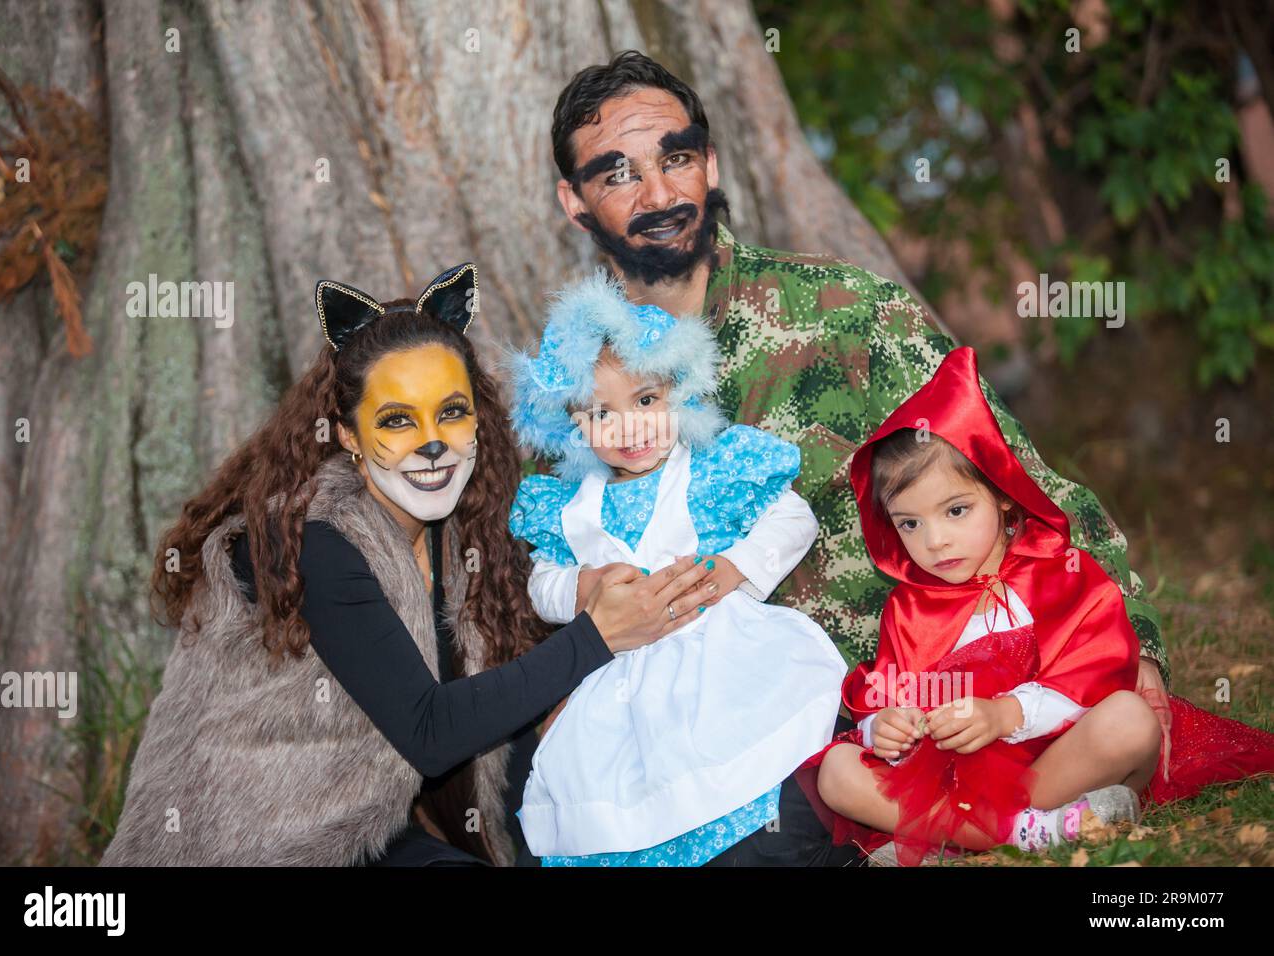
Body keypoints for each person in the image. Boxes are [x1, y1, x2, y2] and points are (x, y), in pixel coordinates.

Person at [542, 50, 1174, 724]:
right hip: (699, 727)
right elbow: (550, 566)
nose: (658, 195)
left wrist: (1134, 649)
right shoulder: (572, 380)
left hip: (905, 705)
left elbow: (1020, 482)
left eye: (676, 159)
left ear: (712, 165)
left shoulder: (846, 313)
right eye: (618, 175)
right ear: (575, 203)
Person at [100, 263, 717, 866]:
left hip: (371, 832)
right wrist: (596, 637)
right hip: (249, 844)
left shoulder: (463, 537)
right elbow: (429, 731)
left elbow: (506, 691)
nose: (432, 442)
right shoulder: (312, 540)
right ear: (347, 434)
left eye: (451, 412)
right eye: (397, 420)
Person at [794, 346, 1274, 866]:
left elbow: (1098, 673)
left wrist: (1006, 714)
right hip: (956, 778)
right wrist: (885, 726)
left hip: (1054, 760)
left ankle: (958, 833)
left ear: (1002, 493)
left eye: (956, 511)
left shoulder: (1057, 573)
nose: (934, 541)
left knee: (1132, 721)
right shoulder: (910, 609)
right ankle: (1027, 831)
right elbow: (893, 690)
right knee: (837, 771)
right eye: (910, 523)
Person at [504, 272, 847, 866]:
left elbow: (793, 516)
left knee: (746, 765)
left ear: (677, 393)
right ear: (573, 427)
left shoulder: (711, 469)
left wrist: (736, 568)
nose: (630, 427)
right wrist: (581, 588)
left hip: (721, 653)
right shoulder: (570, 507)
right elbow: (541, 582)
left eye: (645, 401)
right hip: (623, 680)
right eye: (601, 414)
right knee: (617, 788)